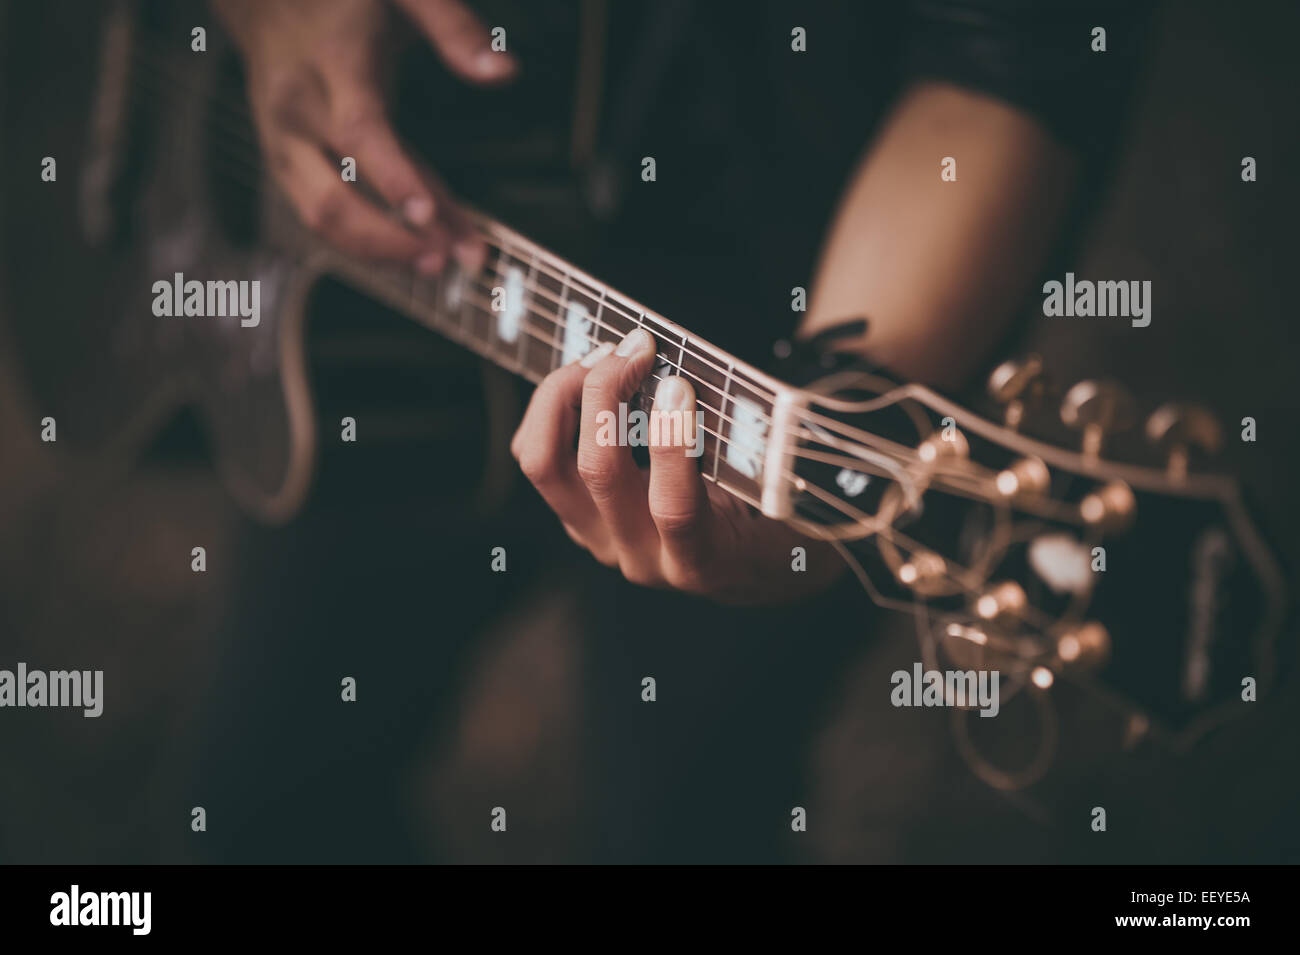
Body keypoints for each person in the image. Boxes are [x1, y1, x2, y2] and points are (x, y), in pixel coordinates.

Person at [213, 0, 1150, 605]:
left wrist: (841, 412)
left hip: (785, 316)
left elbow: (1013, 49)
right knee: (265, 808)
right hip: (368, 311)